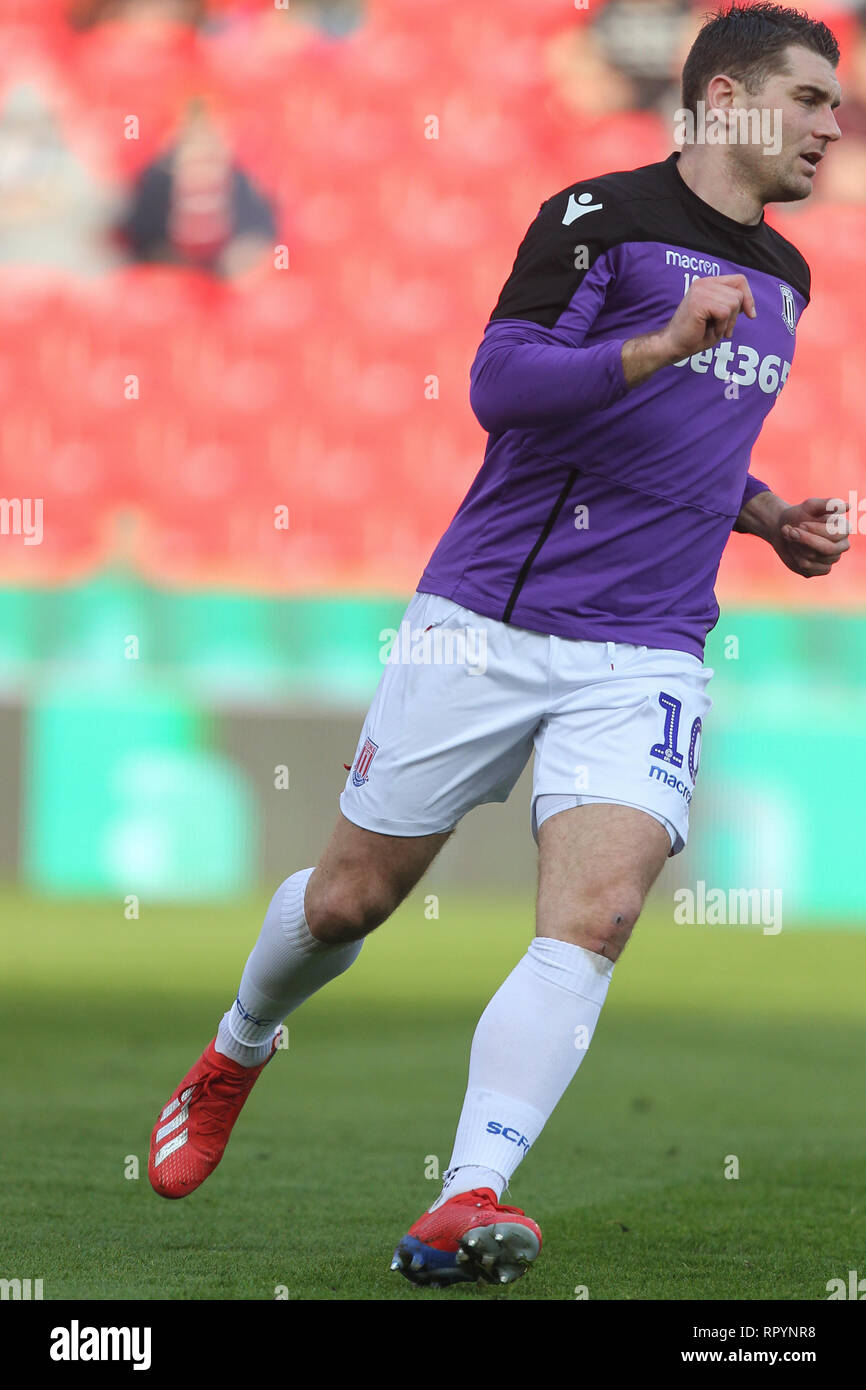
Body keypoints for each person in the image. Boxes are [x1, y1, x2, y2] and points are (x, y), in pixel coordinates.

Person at [147, 3, 850, 1289]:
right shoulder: (597, 219)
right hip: (485, 619)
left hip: (647, 644)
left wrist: (762, 516)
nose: (828, 123)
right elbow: (500, 384)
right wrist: (651, 339)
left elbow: (699, 440)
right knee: (354, 895)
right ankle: (238, 1045)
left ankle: (465, 1189)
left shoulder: (787, 279)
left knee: (601, 910)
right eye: (807, 98)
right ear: (729, 98)